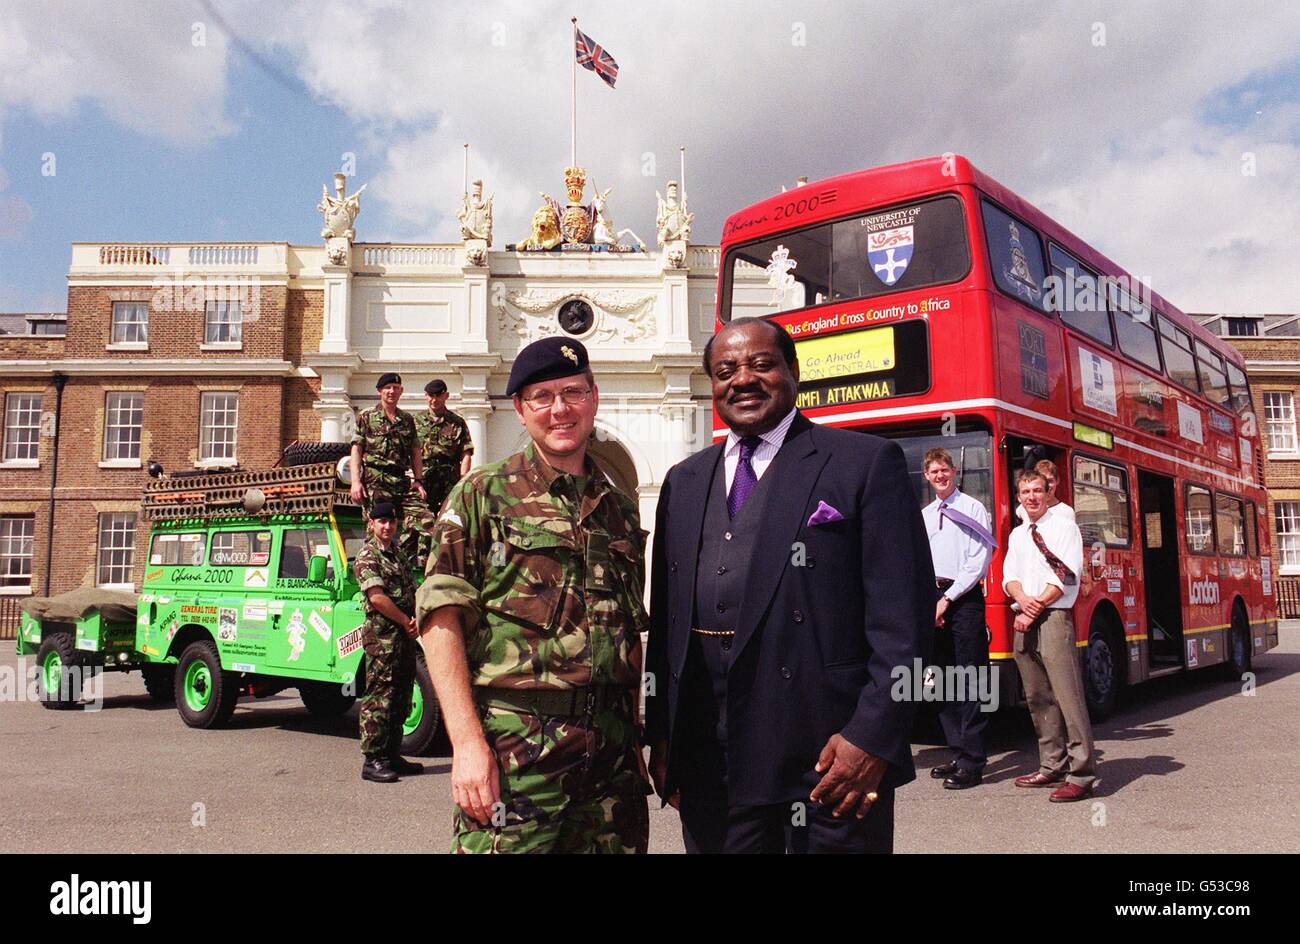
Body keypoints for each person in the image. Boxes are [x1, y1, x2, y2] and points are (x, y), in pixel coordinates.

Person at [646, 318, 933, 854]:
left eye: (761, 364)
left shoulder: (863, 464)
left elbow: (905, 624)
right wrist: (664, 737)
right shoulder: (683, 481)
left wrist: (871, 738)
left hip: (830, 762)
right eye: (725, 370)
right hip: (713, 762)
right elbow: (666, 625)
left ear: (793, 372)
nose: (743, 380)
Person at [415, 337, 651, 854]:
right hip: (516, 753)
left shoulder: (619, 509)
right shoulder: (482, 495)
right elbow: (439, 621)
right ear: (521, 410)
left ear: (594, 397)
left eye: (572, 392)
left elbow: (628, 631)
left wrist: (632, 735)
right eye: (541, 397)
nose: (559, 409)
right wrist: (467, 744)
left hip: (611, 760)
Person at [1003, 469, 1096, 802]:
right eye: (1025, 491)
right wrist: (1024, 603)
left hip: (1053, 616)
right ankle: (1051, 765)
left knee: (1067, 696)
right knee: (1038, 696)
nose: (1032, 497)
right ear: (1018, 497)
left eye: (1037, 490)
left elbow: (1065, 575)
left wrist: (1033, 607)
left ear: (1048, 492)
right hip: (1025, 616)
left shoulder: (1064, 527)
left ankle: (1082, 774)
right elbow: (1008, 577)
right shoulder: (1017, 534)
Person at [921, 447, 995, 790]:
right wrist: (931, 600)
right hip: (934, 598)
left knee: (970, 680)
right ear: (927, 476)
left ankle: (973, 761)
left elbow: (979, 561)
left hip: (963, 600)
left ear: (954, 472)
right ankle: (957, 750)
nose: (940, 476)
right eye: (933, 472)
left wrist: (948, 599)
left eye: (944, 470)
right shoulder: (925, 514)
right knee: (943, 680)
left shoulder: (972, 508)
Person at [354, 501, 423, 783]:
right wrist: (406, 620)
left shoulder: (398, 554)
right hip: (382, 638)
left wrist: (416, 615)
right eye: (381, 521)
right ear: (371, 524)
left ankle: (392, 754)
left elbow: (412, 589)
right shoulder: (368, 556)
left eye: (391, 522)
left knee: (401, 695)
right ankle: (373, 761)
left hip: (402, 638)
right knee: (379, 699)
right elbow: (377, 598)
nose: (387, 526)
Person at [349, 372, 436, 564]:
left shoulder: (406, 420)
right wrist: (355, 482)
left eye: (395, 388)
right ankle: (372, 569)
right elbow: (356, 449)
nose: (391, 391)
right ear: (380, 391)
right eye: (387, 388)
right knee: (379, 530)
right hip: (376, 481)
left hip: (401, 480)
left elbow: (415, 451)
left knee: (426, 520)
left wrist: (418, 480)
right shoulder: (366, 416)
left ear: (401, 391)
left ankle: (408, 563)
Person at [414, 379, 474, 514]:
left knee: (449, 520)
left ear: (446, 396)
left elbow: (466, 453)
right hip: (423, 479)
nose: (434, 400)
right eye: (431, 396)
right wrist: (414, 478)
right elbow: (408, 452)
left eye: (438, 396)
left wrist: (462, 482)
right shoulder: (415, 421)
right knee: (420, 523)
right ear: (426, 396)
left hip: (449, 481)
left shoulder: (457, 422)